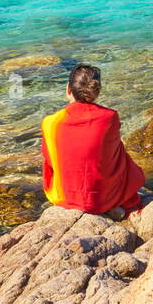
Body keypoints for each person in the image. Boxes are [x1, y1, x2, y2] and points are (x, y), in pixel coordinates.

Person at [40, 63, 145, 217]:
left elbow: (50, 162)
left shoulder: (50, 122)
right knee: (118, 150)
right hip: (103, 200)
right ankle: (126, 201)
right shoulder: (110, 117)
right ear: (97, 92)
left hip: (65, 199)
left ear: (68, 90)